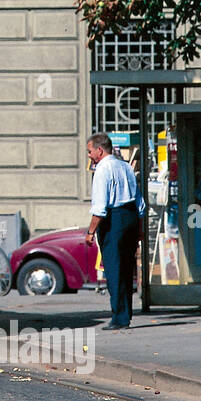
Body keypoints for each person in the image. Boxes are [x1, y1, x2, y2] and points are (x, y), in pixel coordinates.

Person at [84, 133, 146, 330]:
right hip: (131, 217)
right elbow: (140, 201)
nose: (89, 155)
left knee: (114, 269)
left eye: (89, 151)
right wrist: (140, 229)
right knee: (127, 269)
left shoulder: (102, 169)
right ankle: (125, 314)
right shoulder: (125, 166)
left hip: (114, 220)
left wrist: (90, 232)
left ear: (99, 150)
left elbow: (100, 207)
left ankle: (119, 317)